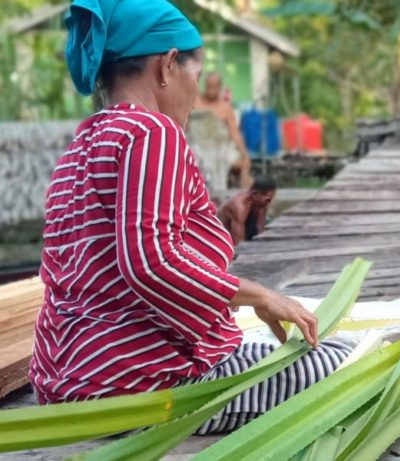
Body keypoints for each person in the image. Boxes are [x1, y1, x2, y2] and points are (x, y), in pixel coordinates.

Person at [30, 0, 352, 434]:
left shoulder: (82, 145)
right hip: (144, 387)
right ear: (166, 65)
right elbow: (150, 262)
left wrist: (215, 220)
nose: (196, 98)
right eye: (195, 77)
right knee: (347, 362)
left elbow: (115, 249)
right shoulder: (152, 131)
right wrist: (261, 295)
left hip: (67, 381)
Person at [194, 72, 252, 189]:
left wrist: (244, 154)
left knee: (244, 163)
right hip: (197, 148)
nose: (211, 90)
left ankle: (240, 193)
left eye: (214, 87)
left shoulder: (225, 107)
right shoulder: (195, 102)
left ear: (219, 87)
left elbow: (235, 134)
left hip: (220, 149)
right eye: (209, 86)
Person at [218, 176, 276, 245]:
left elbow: (260, 234)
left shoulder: (260, 204)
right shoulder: (239, 207)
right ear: (255, 194)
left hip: (244, 232)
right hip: (223, 237)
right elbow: (239, 243)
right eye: (268, 199)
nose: (269, 202)